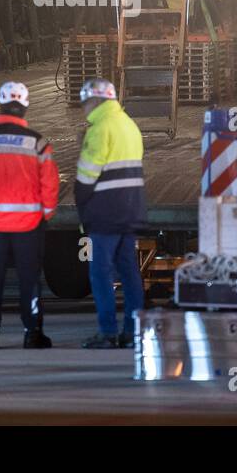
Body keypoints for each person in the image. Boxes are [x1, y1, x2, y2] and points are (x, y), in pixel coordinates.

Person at [0, 81, 59, 349]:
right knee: (29, 279)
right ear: (26, 106)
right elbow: (50, 183)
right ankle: (32, 334)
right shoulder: (38, 143)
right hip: (29, 225)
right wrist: (45, 212)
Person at [75, 78, 147, 349]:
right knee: (129, 273)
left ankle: (107, 332)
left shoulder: (100, 128)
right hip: (130, 209)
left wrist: (82, 205)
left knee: (100, 272)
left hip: (105, 212)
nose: (83, 109)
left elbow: (87, 176)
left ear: (94, 101)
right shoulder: (129, 124)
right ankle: (133, 332)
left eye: (84, 103)